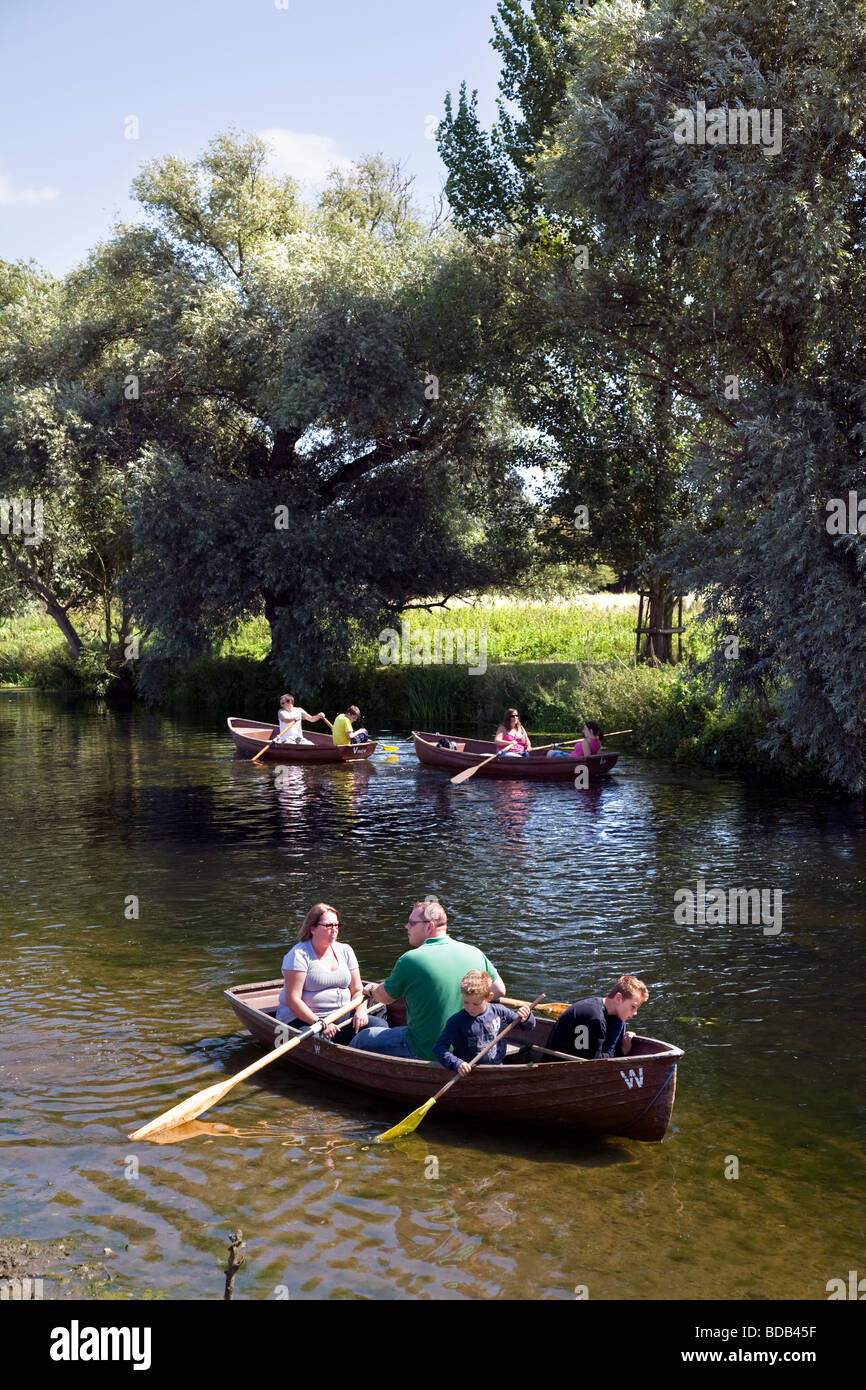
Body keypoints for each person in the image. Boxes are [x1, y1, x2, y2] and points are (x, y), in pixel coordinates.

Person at [349, 900, 507, 1060]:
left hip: (427, 1050)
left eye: (411, 923)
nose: (406, 927)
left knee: (364, 1038)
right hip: (469, 1049)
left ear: (429, 926)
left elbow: (385, 998)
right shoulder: (475, 952)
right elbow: (499, 990)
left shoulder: (411, 960)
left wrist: (371, 990)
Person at [276, 903, 368, 1039]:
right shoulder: (299, 955)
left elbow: (357, 989)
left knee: (379, 1025)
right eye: (328, 925)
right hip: (305, 1020)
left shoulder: (346, 950)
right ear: (312, 928)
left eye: (337, 925)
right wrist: (320, 1023)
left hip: (340, 1015)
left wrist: (361, 1010)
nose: (334, 929)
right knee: (321, 1042)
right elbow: (293, 1000)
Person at [433, 971, 535, 1074]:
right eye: (466, 1002)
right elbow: (439, 1048)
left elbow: (527, 1027)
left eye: (476, 1004)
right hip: (469, 1073)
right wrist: (457, 1063)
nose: (470, 1008)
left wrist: (526, 1017)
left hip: (497, 1068)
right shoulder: (456, 1021)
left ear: (489, 997)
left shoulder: (500, 1012)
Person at [545, 975, 648, 1059]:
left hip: (573, 1063)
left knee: (619, 1022)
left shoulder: (598, 1006)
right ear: (618, 998)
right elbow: (592, 1063)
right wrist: (622, 1051)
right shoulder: (595, 1019)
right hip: (558, 1068)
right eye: (633, 1007)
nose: (635, 1013)